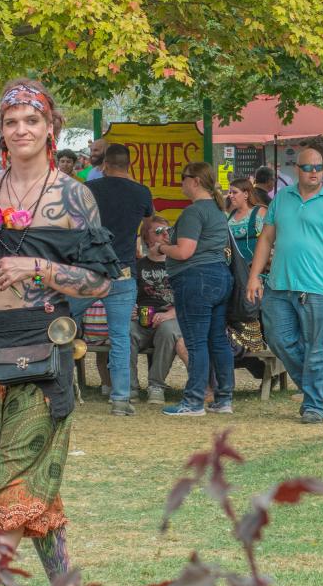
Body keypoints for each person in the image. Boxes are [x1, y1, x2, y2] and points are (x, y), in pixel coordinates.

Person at [0, 78, 120, 579]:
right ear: (1, 130)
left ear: (50, 126)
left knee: (9, 484)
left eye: (31, 120)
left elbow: (102, 281)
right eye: (11, 122)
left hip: (43, 355)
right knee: (25, 482)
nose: (21, 129)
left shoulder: (74, 196)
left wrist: (38, 268)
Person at [247, 147, 323, 424]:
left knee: (318, 348)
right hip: (279, 284)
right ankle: (322, 392)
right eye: (307, 167)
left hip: (320, 286)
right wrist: (254, 276)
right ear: (296, 169)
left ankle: (315, 405)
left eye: (318, 167)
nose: (313, 172)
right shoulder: (282, 199)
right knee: (279, 339)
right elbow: (266, 239)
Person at [155, 161, 235, 416]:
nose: (181, 183)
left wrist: (162, 248)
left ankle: (193, 401)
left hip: (195, 279)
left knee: (196, 341)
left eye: (183, 178)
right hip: (219, 276)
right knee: (218, 340)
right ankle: (224, 398)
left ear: (196, 181)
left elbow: (185, 251)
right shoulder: (217, 210)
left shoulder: (193, 212)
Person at [85, 142, 154, 415]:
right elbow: (148, 227)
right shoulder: (141, 193)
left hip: (88, 272)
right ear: (129, 165)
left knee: (64, 325)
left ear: (104, 165)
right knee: (120, 336)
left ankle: (60, 389)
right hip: (123, 271)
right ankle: (121, 399)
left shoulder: (90, 190)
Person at [131, 215, 187, 402]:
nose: (164, 234)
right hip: (142, 319)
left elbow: (189, 298)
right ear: (146, 238)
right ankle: (129, 387)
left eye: (167, 231)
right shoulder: (137, 266)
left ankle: (156, 386)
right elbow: (128, 293)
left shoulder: (179, 265)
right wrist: (130, 308)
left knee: (168, 330)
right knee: (125, 332)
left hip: (170, 317)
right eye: (158, 231)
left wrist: (172, 313)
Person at [226, 177, 269, 261]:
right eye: (230, 192)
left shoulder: (259, 212)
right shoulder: (232, 214)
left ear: (246, 194)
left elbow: (267, 241)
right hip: (233, 265)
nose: (230, 195)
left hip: (252, 265)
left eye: (234, 192)